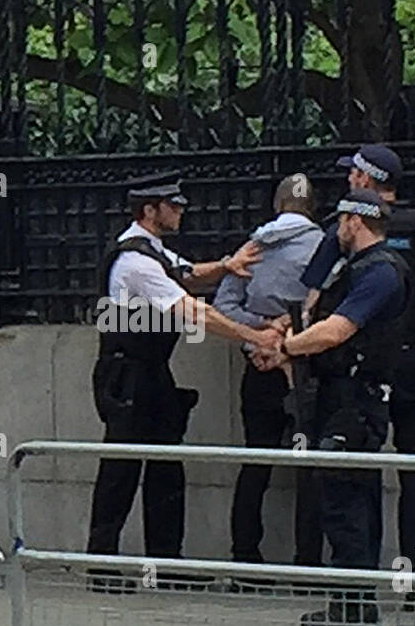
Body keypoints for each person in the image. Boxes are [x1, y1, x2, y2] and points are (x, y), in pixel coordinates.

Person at [87, 170, 283, 591]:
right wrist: (253, 335)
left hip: (152, 372)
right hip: (128, 375)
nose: (179, 212)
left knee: (165, 467)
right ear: (149, 210)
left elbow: (190, 273)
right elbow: (195, 311)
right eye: (172, 206)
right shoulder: (136, 262)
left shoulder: (154, 252)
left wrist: (228, 266)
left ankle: (166, 564)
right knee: (121, 469)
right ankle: (101, 566)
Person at [302, 145, 415, 609]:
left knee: (360, 472)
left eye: (352, 174)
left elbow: (312, 295)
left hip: (363, 370)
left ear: (365, 181)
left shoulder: (343, 231)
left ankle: (361, 590)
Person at [261, 188, 409, 626]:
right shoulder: (359, 269)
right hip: (342, 397)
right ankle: (354, 604)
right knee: (347, 500)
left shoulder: (380, 272)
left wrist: (284, 347)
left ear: (356, 221)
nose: (336, 229)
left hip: (354, 403)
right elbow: (318, 318)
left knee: (346, 503)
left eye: (341, 220)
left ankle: (353, 608)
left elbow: (336, 331)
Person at [213, 173, 324, 566]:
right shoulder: (325, 246)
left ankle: (245, 558)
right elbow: (330, 308)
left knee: (255, 462)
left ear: (276, 206)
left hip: (258, 367)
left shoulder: (253, 247)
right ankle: (307, 561)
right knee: (310, 465)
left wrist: (259, 337)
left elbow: (223, 305)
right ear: (313, 208)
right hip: (306, 367)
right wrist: (287, 336)